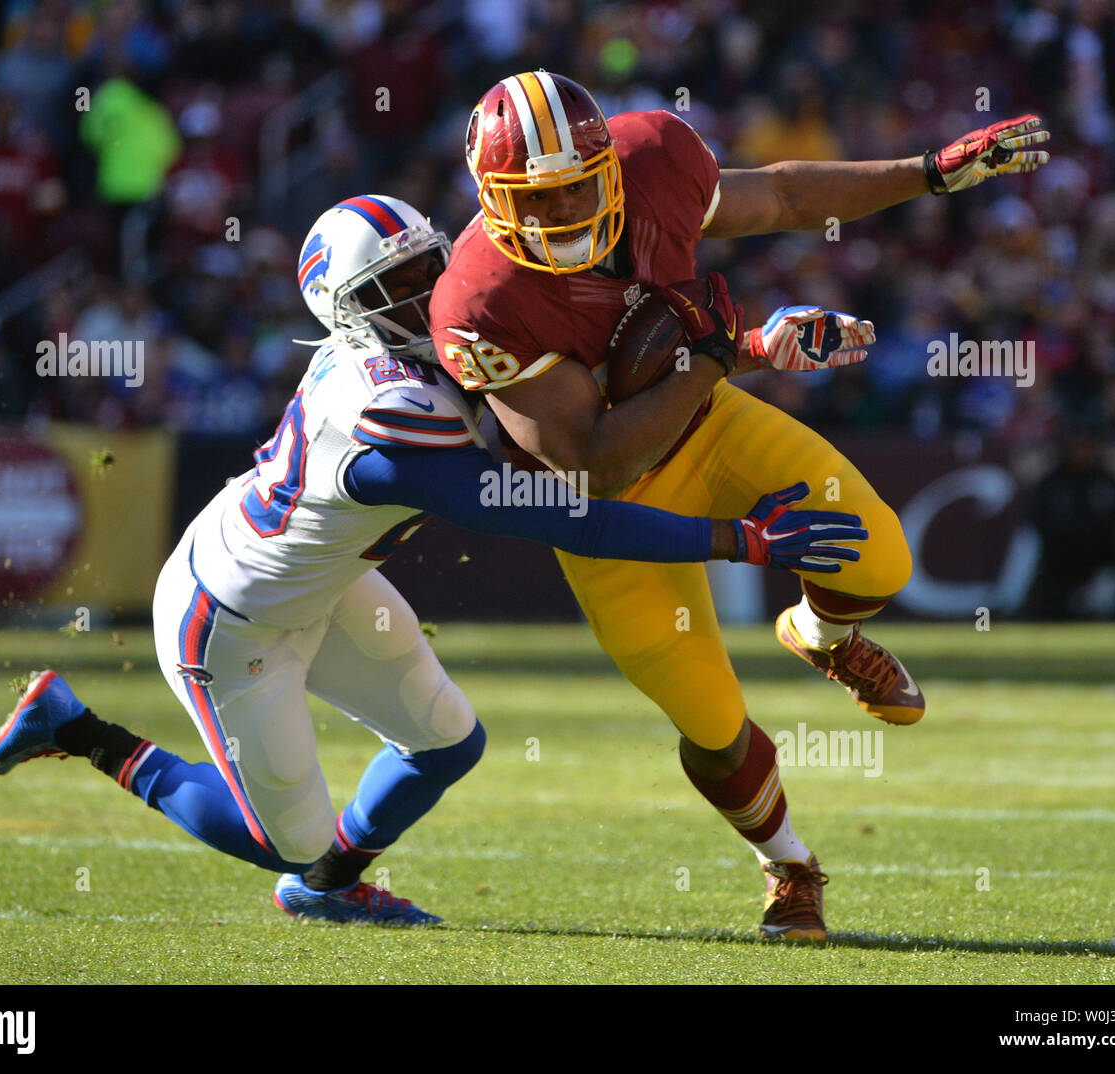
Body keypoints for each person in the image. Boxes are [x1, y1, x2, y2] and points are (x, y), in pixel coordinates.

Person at [0, 194, 868, 926]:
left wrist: (755, 345)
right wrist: (734, 539)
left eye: (426, 268)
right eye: (394, 286)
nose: (425, 294)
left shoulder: (437, 342)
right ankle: (80, 729)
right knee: (282, 838)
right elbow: (562, 515)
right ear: (350, 313)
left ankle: (325, 889)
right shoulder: (388, 425)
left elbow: (595, 370)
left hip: (322, 582)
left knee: (446, 742)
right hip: (228, 616)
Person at [429, 71, 1051, 940]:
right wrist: (731, 353)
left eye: (580, 181)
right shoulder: (476, 301)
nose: (566, 207)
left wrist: (927, 173)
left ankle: (822, 635)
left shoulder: (655, 158)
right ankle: (789, 865)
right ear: (493, 198)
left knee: (880, 558)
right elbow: (599, 462)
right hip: (610, 513)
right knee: (714, 723)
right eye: (541, 196)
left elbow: (786, 193)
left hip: (709, 428)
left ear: (611, 162)